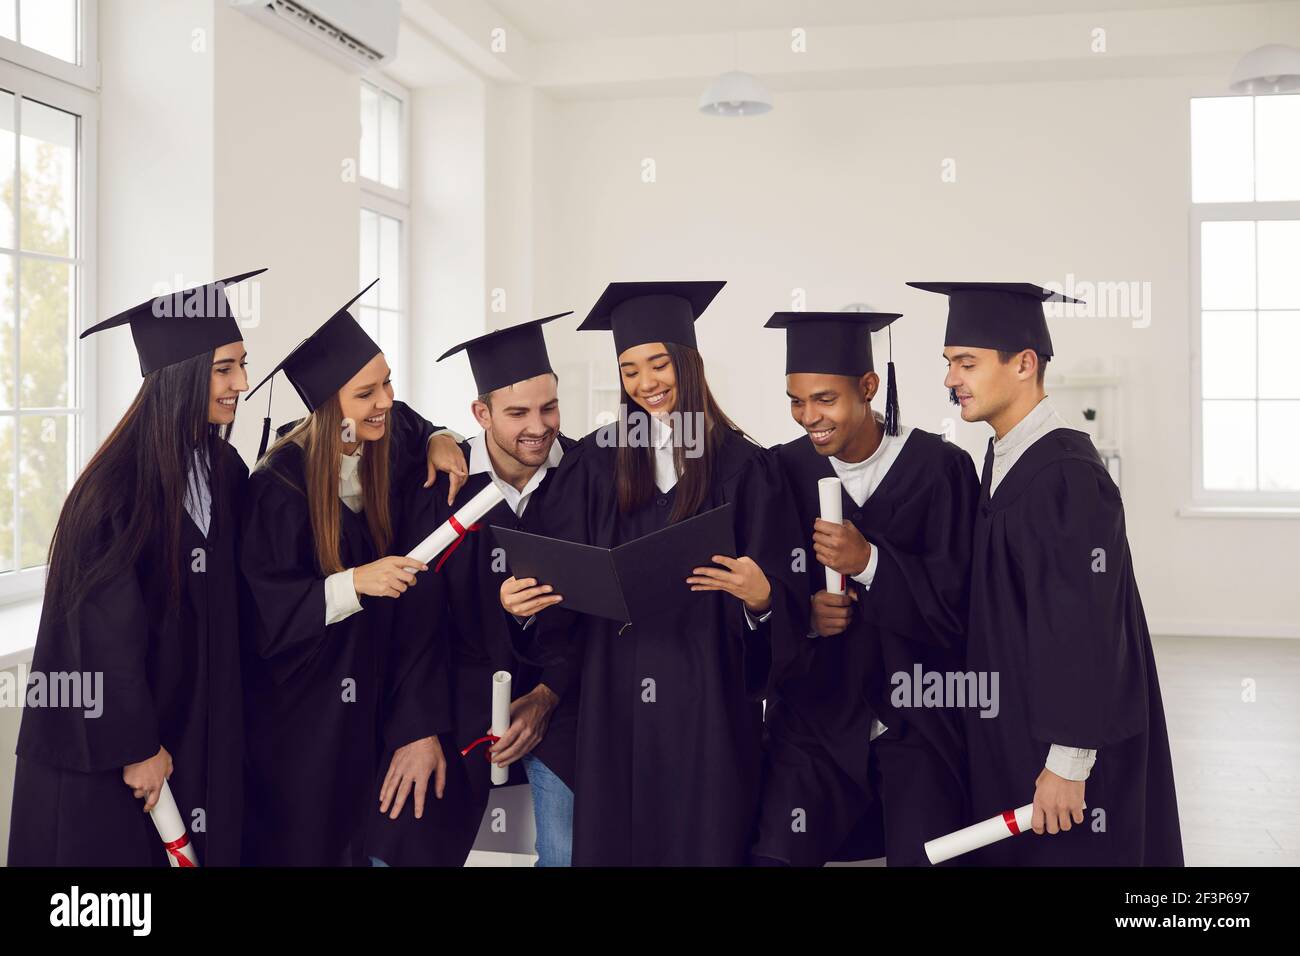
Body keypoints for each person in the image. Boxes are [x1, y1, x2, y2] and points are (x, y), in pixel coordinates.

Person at [501, 281, 807, 865]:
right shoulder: (594, 464)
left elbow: (785, 599)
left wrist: (761, 599)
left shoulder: (746, 467)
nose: (646, 383)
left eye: (659, 363)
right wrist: (524, 599)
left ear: (687, 363)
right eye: (630, 369)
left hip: (709, 705)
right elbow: (556, 579)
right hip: (613, 702)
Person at [913, 280, 1183, 865]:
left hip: (1065, 760)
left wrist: (1068, 762)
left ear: (1024, 364)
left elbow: (1086, 627)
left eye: (966, 362)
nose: (950, 378)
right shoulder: (1005, 457)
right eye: (948, 363)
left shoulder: (1067, 476)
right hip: (1017, 738)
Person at [8, 269, 266, 866]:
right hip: (114, 757)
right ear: (180, 375)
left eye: (242, 365)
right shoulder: (113, 491)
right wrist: (138, 744)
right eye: (225, 368)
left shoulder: (222, 470)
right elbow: (98, 635)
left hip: (186, 734)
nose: (241, 384)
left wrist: (430, 435)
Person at [238, 280, 466, 866]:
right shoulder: (277, 488)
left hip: (373, 702)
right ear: (327, 408)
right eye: (367, 393)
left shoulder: (383, 435)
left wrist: (443, 437)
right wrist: (355, 583)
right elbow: (262, 613)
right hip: (305, 721)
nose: (386, 400)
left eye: (387, 381)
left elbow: (422, 426)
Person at [751, 311, 978, 866]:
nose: (809, 417)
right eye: (796, 401)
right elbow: (767, 587)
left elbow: (960, 607)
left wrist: (871, 562)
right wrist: (803, 614)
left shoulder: (942, 468)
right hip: (817, 717)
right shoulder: (781, 471)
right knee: (774, 855)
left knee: (929, 857)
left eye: (823, 399)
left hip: (918, 716)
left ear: (869, 388)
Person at [371, 312, 580, 867]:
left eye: (549, 407)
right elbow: (414, 622)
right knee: (398, 841)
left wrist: (550, 694)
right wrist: (416, 729)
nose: (538, 426)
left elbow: (604, 615)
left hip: (569, 694)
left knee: (572, 853)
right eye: (517, 413)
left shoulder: (589, 477)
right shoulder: (442, 486)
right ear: (480, 414)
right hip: (458, 692)